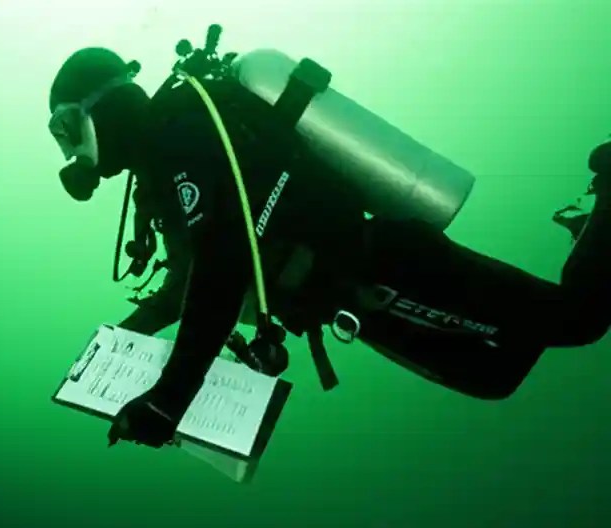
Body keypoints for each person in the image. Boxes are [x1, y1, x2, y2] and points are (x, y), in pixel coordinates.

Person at [47, 44, 611, 449]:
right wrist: (119, 344)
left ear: (97, 109)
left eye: (66, 129)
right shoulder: (161, 177)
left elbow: (224, 264)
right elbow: (187, 283)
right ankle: (592, 234)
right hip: (352, 302)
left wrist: (169, 399)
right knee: (496, 377)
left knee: (578, 320)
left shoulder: (180, 133)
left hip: (385, 264)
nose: (70, 149)